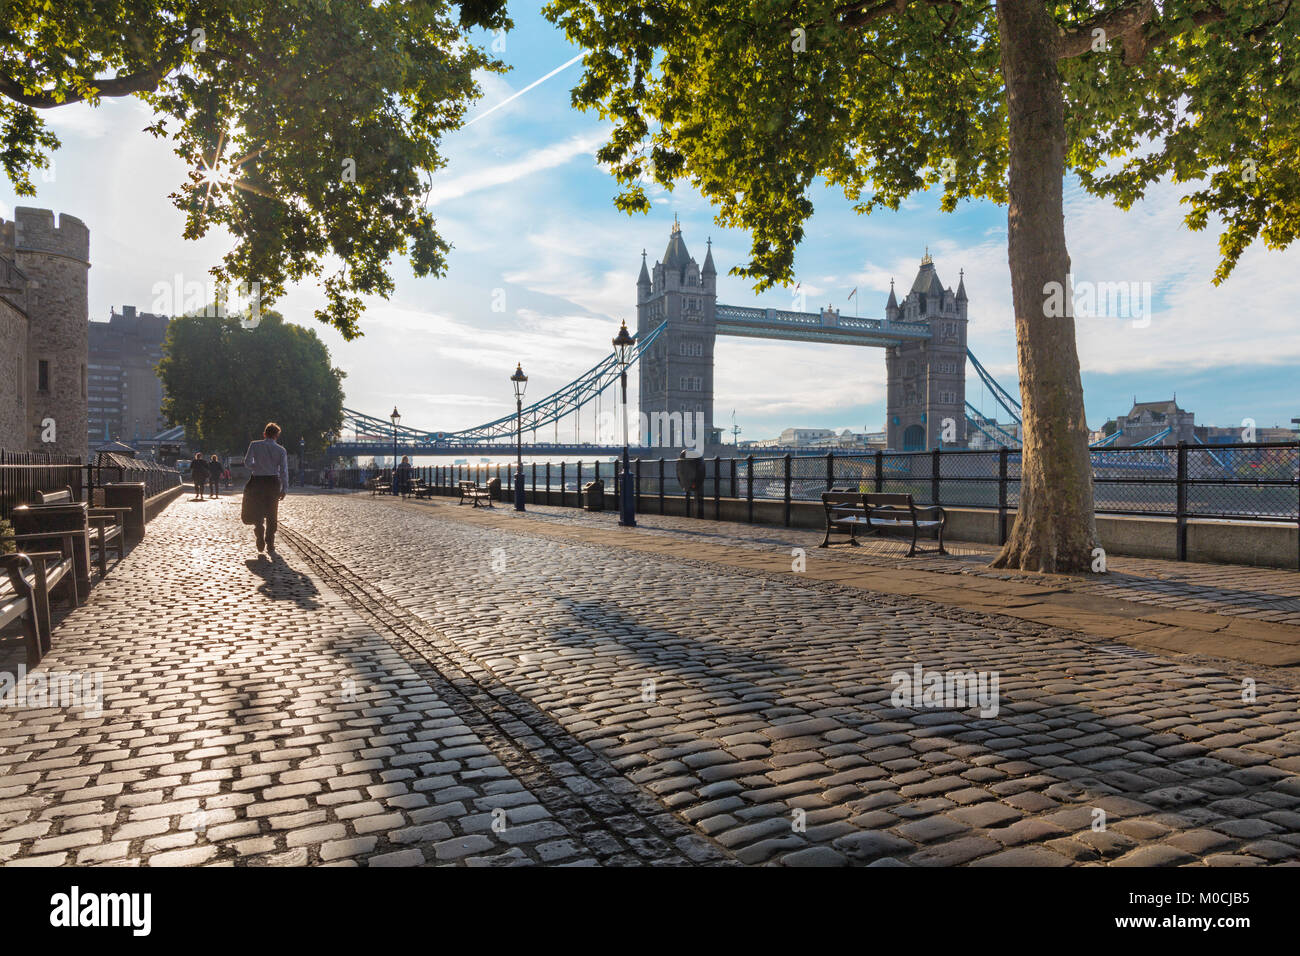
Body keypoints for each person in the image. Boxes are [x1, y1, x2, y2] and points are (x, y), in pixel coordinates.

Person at [242, 422, 289, 553]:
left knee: (257, 509)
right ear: (276, 435)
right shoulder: (281, 450)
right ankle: (270, 541)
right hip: (273, 481)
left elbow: (247, 462)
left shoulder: (254, 445)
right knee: (272, 512)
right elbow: (284, 471)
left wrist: (256, 467)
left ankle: (259, 532)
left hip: (257, 481)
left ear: (264, 434)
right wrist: (284, 489)